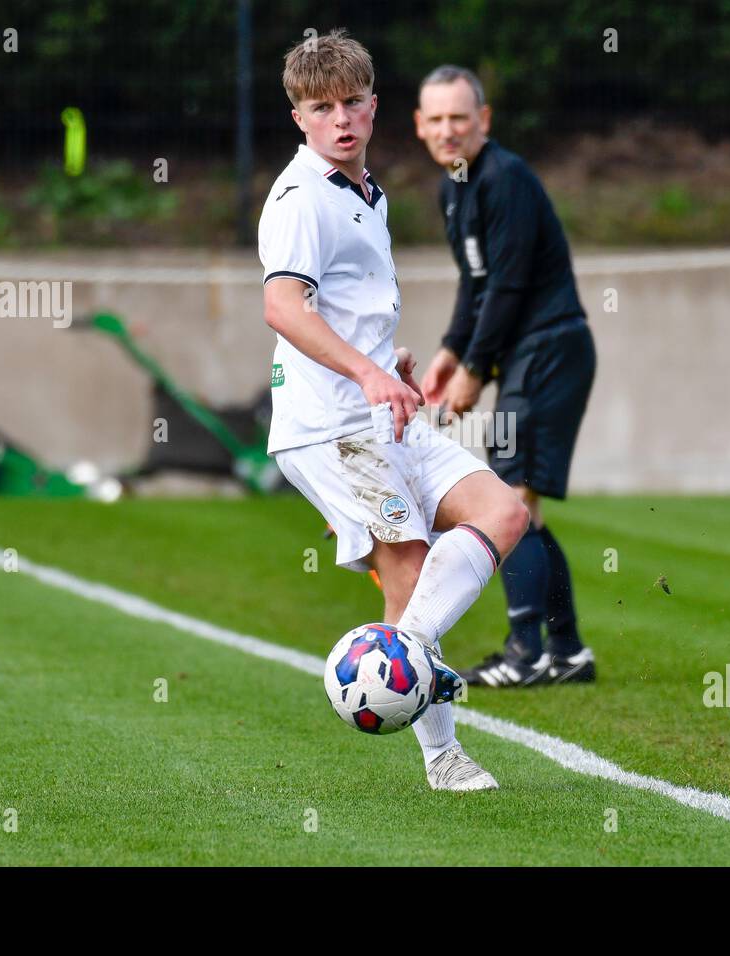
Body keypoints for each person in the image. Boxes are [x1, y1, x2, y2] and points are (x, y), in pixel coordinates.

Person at [259, 31, 529, 791]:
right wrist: (368, 372)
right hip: (328, 427)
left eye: (351, 102)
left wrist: (389, 365)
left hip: (382, 409)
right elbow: (282, 306)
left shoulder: (364, 191)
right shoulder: (299, 198)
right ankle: (442, 756)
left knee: (503, 513)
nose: (340, 118)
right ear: (300, 119)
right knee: (407, 564)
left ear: (375, 107)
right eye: (321, 107)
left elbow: (343, 309)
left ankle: (403, 657)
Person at [414, 65, 597, 688]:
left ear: (483, 121)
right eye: (435, 119)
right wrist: (450, 350)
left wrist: (473, 370)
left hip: (548, 348)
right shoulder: (453, 189)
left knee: (510, 500)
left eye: (459, 117)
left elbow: (512, 285)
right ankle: (565, 651)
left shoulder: (504, 178)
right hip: (525, 352)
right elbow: (477, 284)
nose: (448, 130)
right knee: (523, 508)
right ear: (418, 126)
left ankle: (527, 655)